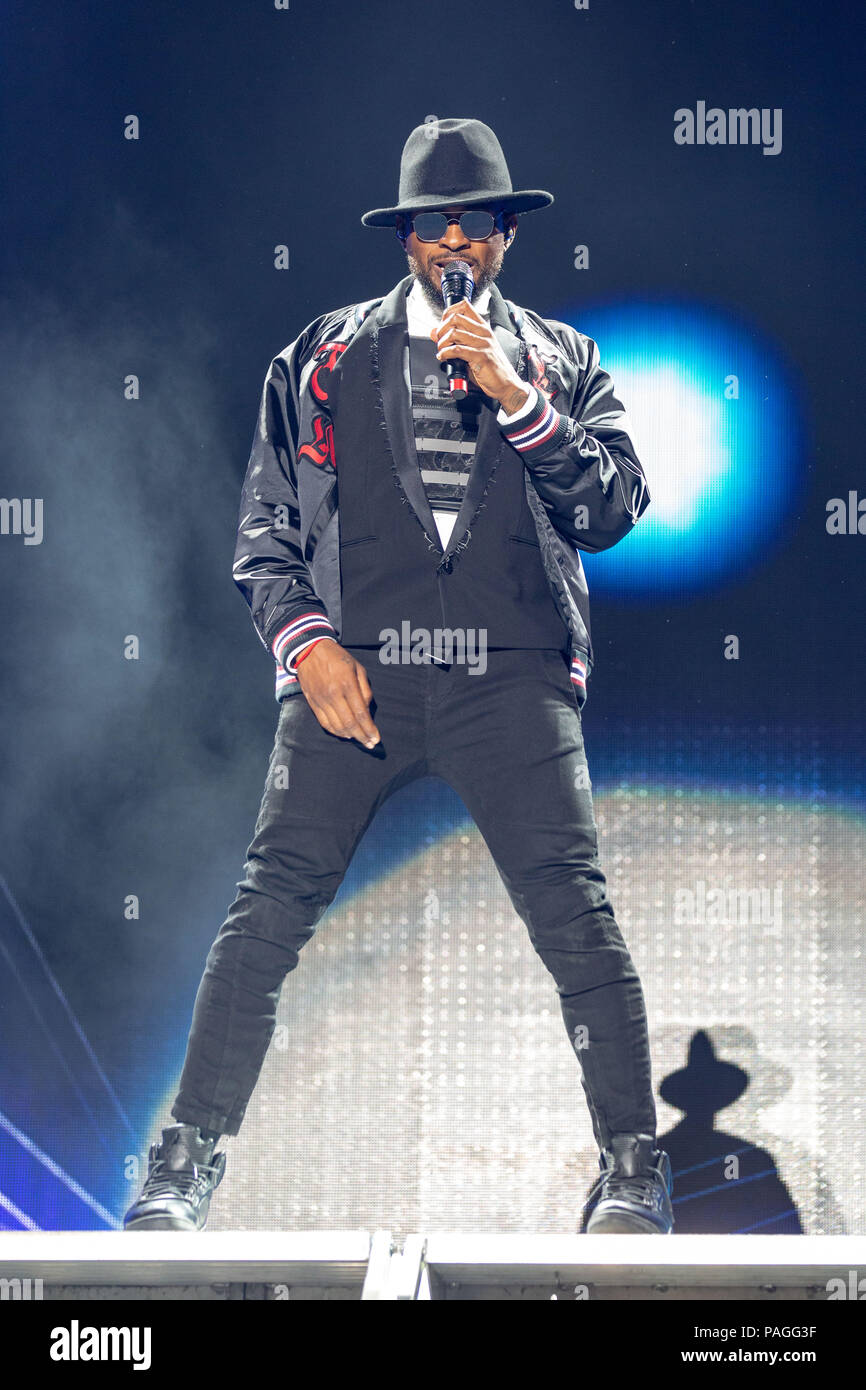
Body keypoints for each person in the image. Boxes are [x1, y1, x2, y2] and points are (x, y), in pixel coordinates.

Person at [123, 117, 674, 1236]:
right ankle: (181, 1163)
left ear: (507, 236)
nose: (452, 241)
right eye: (432, 225)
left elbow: (612, 511)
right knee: (267, 910)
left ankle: (630, 1168)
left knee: (575, 918)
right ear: (407, 236)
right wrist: (308, 647)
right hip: (353, 682)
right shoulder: (320, 358)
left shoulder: (560, 358)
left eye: (473, 221)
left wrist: (518, 400)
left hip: (509, 676)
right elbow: (263, 534)